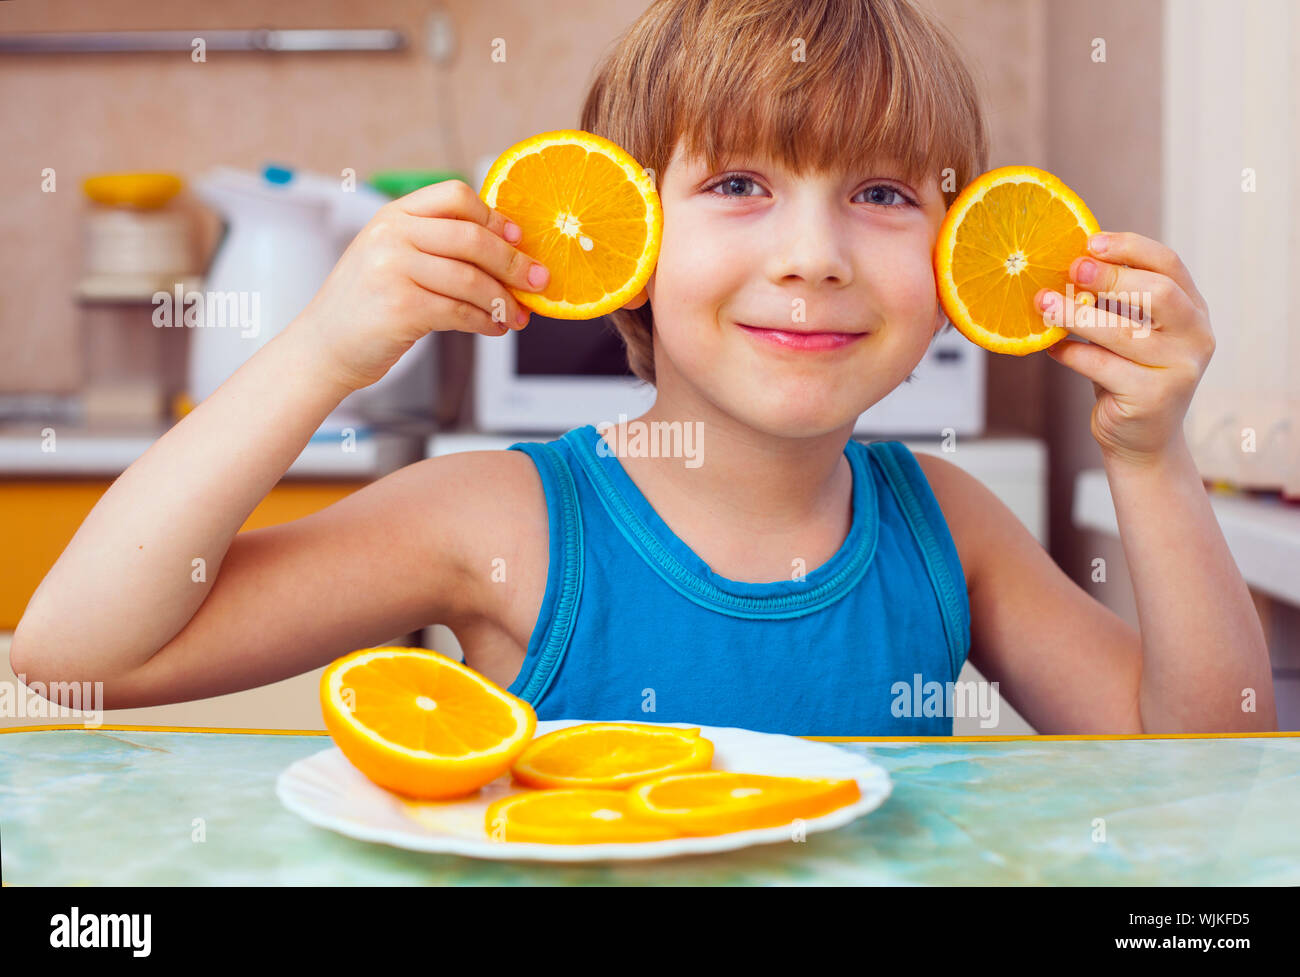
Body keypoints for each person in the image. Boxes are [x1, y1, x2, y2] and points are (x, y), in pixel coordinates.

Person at [12, 0, 1275, 736]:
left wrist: (1149, 455)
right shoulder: (496, 520)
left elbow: (1201, 754)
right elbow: (76, 658)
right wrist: (325, 353)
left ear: (956, 257)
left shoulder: (948, 526)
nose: (813, 255)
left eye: (882, 192)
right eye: (737, 184)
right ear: (622, 239)